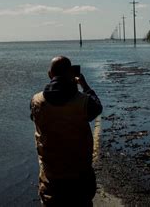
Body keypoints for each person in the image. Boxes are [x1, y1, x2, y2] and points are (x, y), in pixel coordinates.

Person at [30, 56, 103, 206]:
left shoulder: (36, 101)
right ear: (71, 74)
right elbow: (97, 108)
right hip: (80, 176)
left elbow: (34, 117)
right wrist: (84, 85)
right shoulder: (83, 101)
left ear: (50, 74)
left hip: (51, 177)